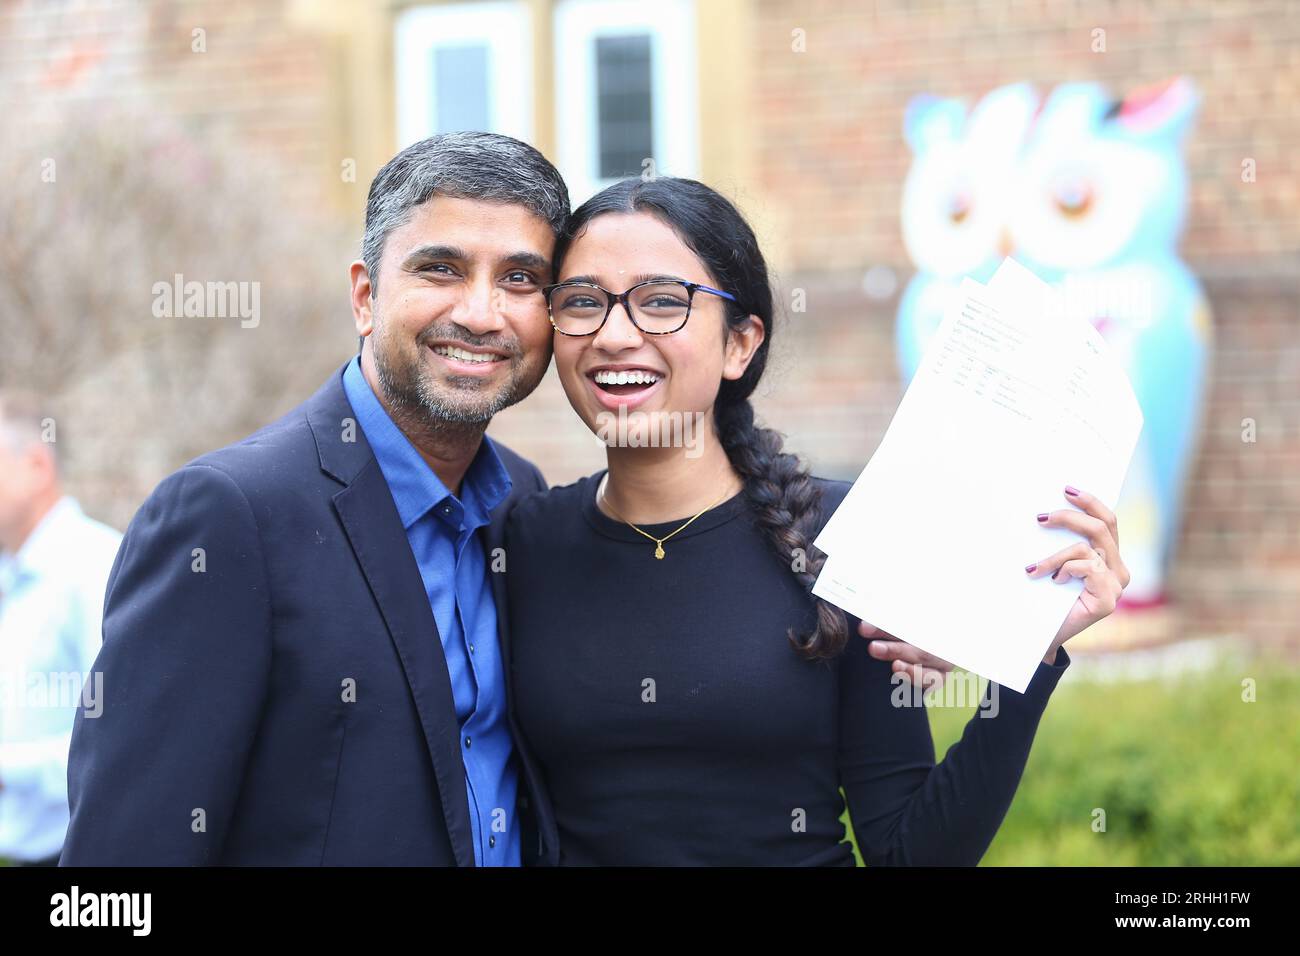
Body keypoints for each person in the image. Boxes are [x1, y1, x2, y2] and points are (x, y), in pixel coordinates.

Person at [503, 176, 1130, 865]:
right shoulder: (520, 544)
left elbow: (910, 852)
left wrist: (1033, 653)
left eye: (661, 303)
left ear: (741, 343)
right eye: (583, 303)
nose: (615, 335)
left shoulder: (841, 535)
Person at [61, 131, 571, 865]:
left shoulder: (521, 501)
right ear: (366, 296)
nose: (483, 314)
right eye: (441, 269)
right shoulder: (229, 515)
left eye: (521, 280)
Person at [0, 390, 121, 865]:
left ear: (37, 467)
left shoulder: (94, 567)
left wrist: (6, 768)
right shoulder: (12, 573)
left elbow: (116, 733)